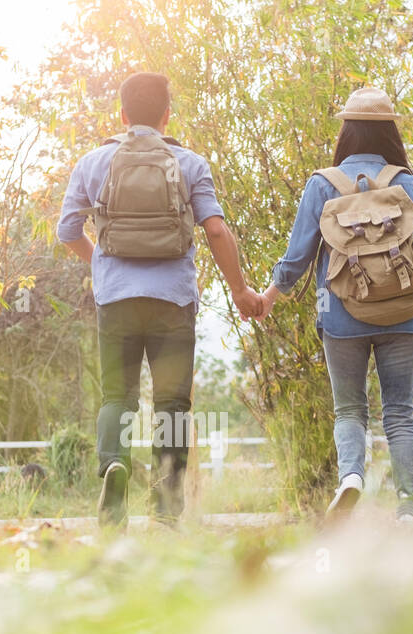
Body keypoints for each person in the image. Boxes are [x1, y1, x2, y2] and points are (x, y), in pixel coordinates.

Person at [57, 72, 263, 529]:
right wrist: (240, 290)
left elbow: (67, 231)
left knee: (118, 397)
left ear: (123, 115)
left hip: (116, 302)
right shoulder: (189, 163)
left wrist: (101, 266)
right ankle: (166, 512)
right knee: (171, 404)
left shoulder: (93, 162)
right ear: (167, 113)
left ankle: (114, 466)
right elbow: (214, 230)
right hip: (173, 302)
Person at [258, 87, 413, 522]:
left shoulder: (323, 184)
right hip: (403, 312)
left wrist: (270, 296)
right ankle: (407, 511)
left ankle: (351, 478)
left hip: (341, 314)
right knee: (399, 412)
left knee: (349, 409)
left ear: (347, 130)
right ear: (390, 134)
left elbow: (297, 255)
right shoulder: (409, 184)